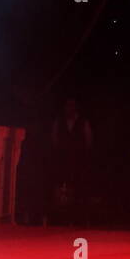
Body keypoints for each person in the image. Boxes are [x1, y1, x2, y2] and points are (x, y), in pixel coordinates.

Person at [48, 95, 94, 225]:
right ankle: (61, 217)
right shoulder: (59, 121)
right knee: (62, 188)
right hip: (62, 159)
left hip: (78, 160)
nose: (70, 108)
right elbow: (54, 138)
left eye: (72, 105)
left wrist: (83, 156)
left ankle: (78, 217)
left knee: (78, 187)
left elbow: (88, 139)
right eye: (68, 105)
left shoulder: (83, 121)